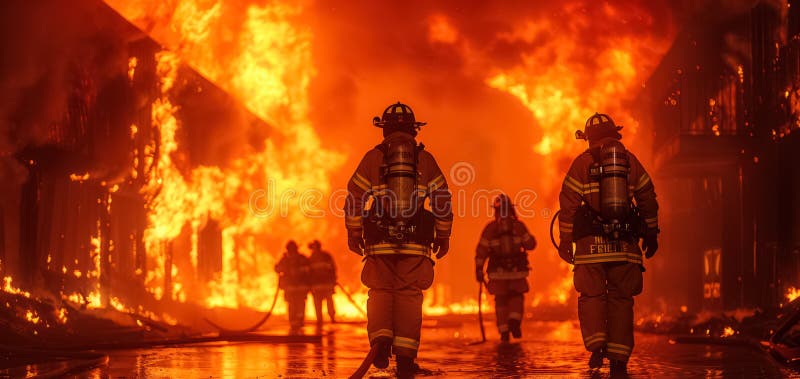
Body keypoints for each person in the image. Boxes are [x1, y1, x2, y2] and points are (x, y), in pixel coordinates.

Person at [344, 102, 453, 378]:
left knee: (381, 292)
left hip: (379, 243)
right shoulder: (425, 161)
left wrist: (354, 232)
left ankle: (380, 342)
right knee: (409, 297)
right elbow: (441, 199)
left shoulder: (372, 158)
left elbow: (355, 198)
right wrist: (443, 234)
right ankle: (405, 359)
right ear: (414, 130)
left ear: (385, 130)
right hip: (416, 244)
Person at [558, 113, 659, 375]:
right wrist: (651, 233)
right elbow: (647, 198)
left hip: (590, 248)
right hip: (624, 246)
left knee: (591, 296)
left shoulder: (581, 164)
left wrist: (565, 241)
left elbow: (568, 206)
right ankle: (619, 360)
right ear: (615, 134)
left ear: (588, 137)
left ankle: (597, 346)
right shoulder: (630, 161)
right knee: (621, 300)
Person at [475, 194, 536, 342]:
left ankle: (504, 333)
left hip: (497, 274)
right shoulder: (518, 226)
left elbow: (481, 251)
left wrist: (478, 270)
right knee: (517, 297)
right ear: (511, 209)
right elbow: (531, 245)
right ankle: (514, 322)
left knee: (500, 301)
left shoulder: (490, 228)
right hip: (517, 272)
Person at [275, 240, 311, 334]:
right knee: (299, 305)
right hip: (299, 288)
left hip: (292, 288)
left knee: (293, 305)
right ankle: (298, 321)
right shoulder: (302, 258)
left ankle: (294, 322)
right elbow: (309, 271)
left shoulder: (286, 259)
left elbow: (277, 269)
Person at [308, 240, 337, 328]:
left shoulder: (323, 256)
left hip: (325, 284)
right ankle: (320, 319)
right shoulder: (312, 258)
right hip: (319, 285)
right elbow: (308, 273)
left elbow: (333, 268)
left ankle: (331, 317)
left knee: (328, 302)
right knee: (319, 303)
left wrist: (333, 279)